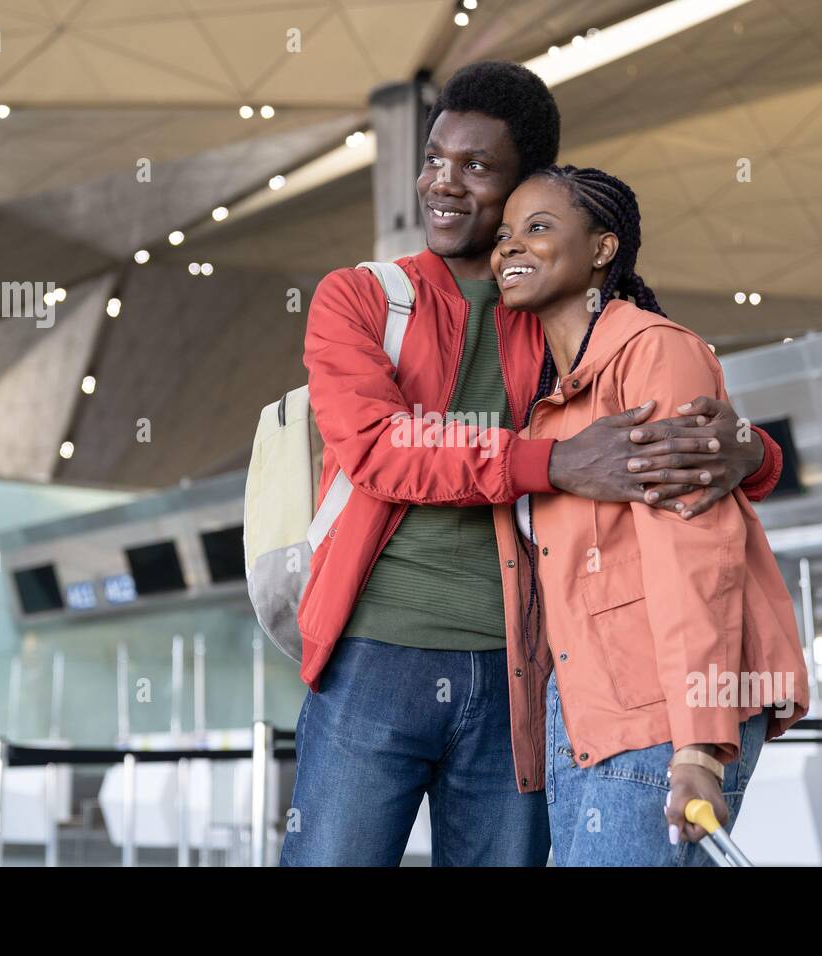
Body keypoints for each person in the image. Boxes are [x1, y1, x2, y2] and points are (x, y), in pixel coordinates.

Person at [279, 62, 785, 867]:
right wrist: (553, 462)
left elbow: (665, 433)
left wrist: (754, 453)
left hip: (526, 673)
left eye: (477, 167)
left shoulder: (552, 315)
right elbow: (380, 447)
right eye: (435, 158)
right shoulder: (360, 300)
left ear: (523, 185)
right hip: (375, 655)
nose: (444, 184)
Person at [489, 163, 809, 866]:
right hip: (587, 709)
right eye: (505, 234)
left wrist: (698, 744)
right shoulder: (553, 398)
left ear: (603, 249)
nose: (510, 247)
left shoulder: (655, 353)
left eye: (538, 228)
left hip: (663, 712)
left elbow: (692, 553)